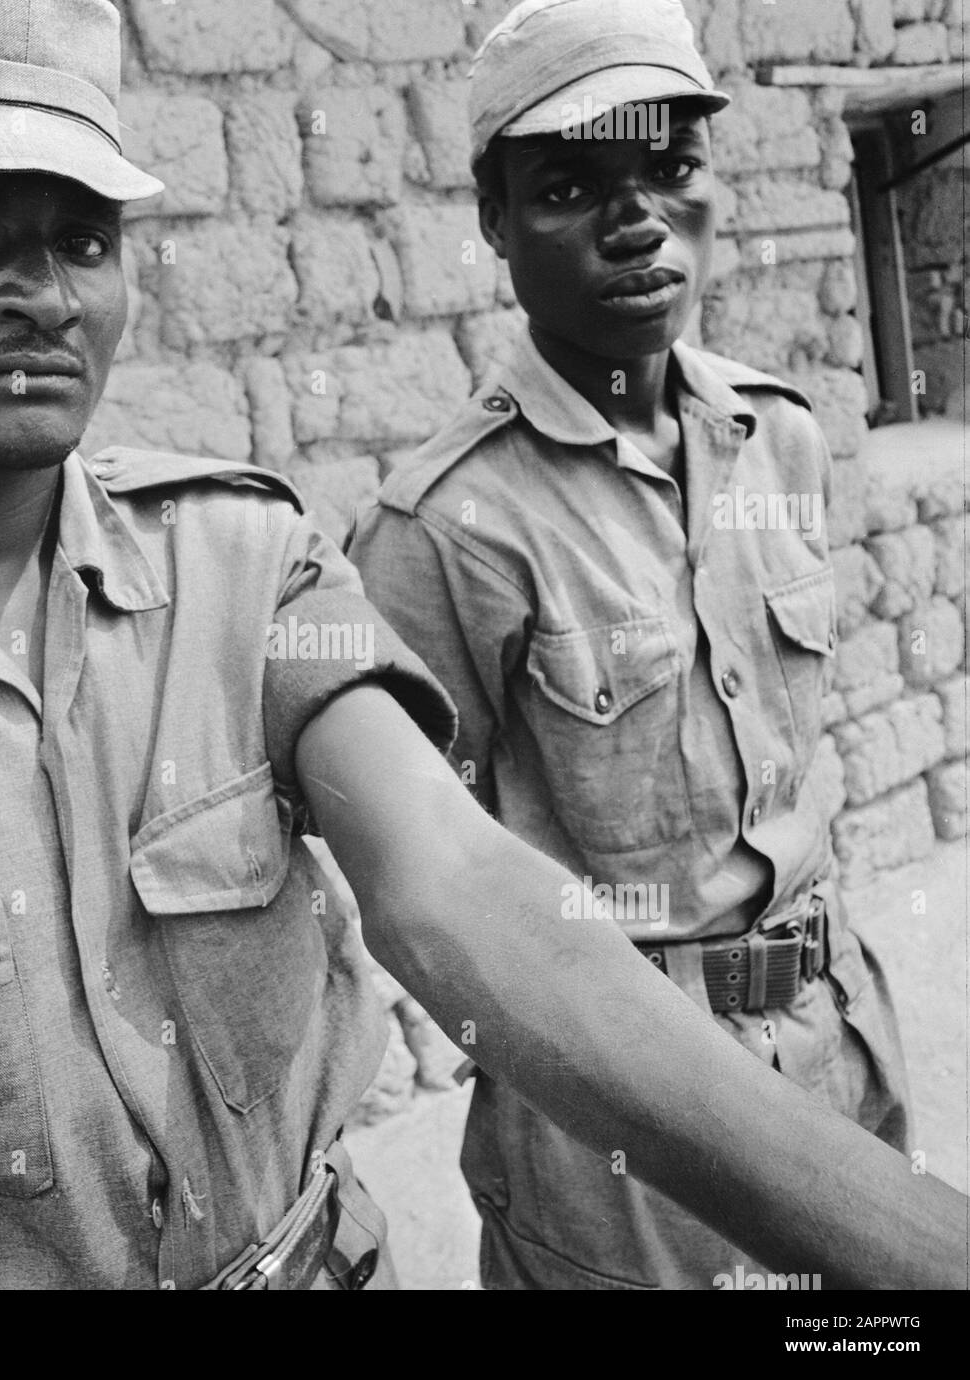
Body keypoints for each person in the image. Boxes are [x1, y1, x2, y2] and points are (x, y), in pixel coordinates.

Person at [0, 0, 963, 1292]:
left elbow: (460, 888)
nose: (42, 297)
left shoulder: (246, 566)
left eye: (82, 237)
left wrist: (916, 1249)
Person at [349, 0, 925, 1290]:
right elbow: (436, 879)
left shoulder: (782, 439)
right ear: (496, 223)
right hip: (630, 1128)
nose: (639, 220)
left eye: (670, 170)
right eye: (570, 186)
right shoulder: (445, 530)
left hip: (838, 1036)